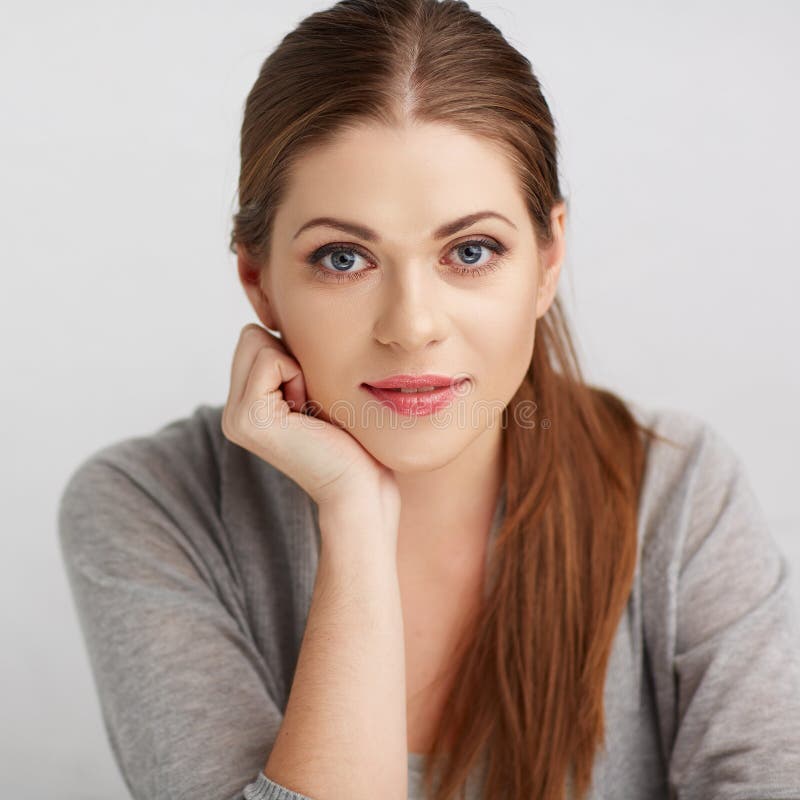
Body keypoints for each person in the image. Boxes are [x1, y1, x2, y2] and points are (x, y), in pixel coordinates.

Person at [57, 1, 800, 799]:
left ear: (547, 260)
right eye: (344, 258)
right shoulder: (149, 508)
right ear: (259, 281)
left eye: (471, 251)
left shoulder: (678, 493)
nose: (411, 327)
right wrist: (355, 518)